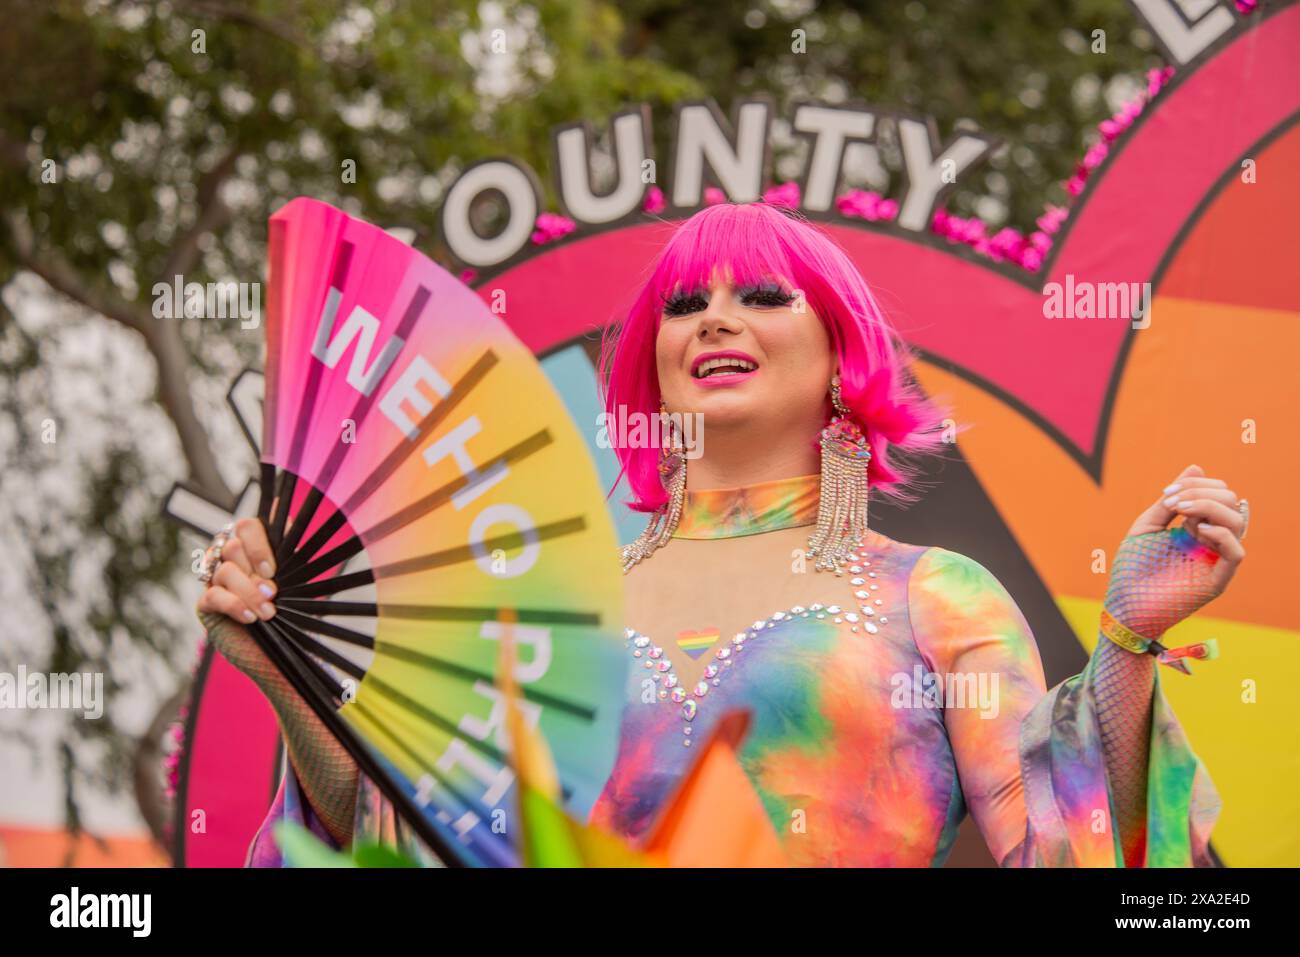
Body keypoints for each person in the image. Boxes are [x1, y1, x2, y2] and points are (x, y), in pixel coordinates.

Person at [197, 202, 1246, 867]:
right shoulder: (545, 612)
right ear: (649, 365)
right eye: (684, 304)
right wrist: (284, 673)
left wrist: (1125, 639)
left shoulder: (938, 596)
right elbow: (403, 844)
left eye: (759, 296)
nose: (712, 319)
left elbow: (1069, 857)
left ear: (842, 358)